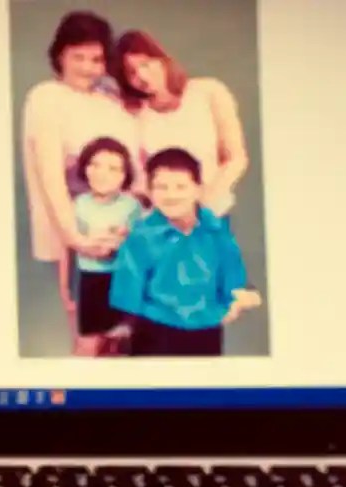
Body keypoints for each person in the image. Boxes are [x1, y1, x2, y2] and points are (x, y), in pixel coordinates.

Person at [21, 11, 138, 318]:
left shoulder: (110, 96)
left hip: (125, 226)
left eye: (97, 59)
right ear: (61, 55)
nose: (88, 68)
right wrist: (77, 239)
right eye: (79, 57)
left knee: (128, 335)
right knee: (91, 334)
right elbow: (50, 176)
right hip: (80, 231)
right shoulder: (46, 97)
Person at [108, 148, 261, 357]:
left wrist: (235, 303)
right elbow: (128, 294)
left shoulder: (216, 232)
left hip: (207, 329)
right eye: (161, 187)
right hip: (155, 331)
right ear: (150, 191)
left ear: (198, 190)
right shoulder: (140, 238)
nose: (171, 195)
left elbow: (232, 276)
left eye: (181, 187)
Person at [110, 30, 249, 217]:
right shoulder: (138, 115)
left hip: (212, 213)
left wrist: (202, 204)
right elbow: (140, 178)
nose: (142, 76)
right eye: (132, 73)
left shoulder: (209, 92)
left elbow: (236, 159)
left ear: (161, 59)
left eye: (146, 64)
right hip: (160, 219)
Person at [70, 136, 144, 356]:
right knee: (90, 340)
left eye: (114, 168)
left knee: (121, 339)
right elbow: (69, 244)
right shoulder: (78, 205)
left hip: (122, 279)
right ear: (85, 168)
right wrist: (66, 290)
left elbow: (137, 246)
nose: (103, 173)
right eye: (95, 165)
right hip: (89, 279)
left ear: (125, 175)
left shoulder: (131, 206)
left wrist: (120, 240)